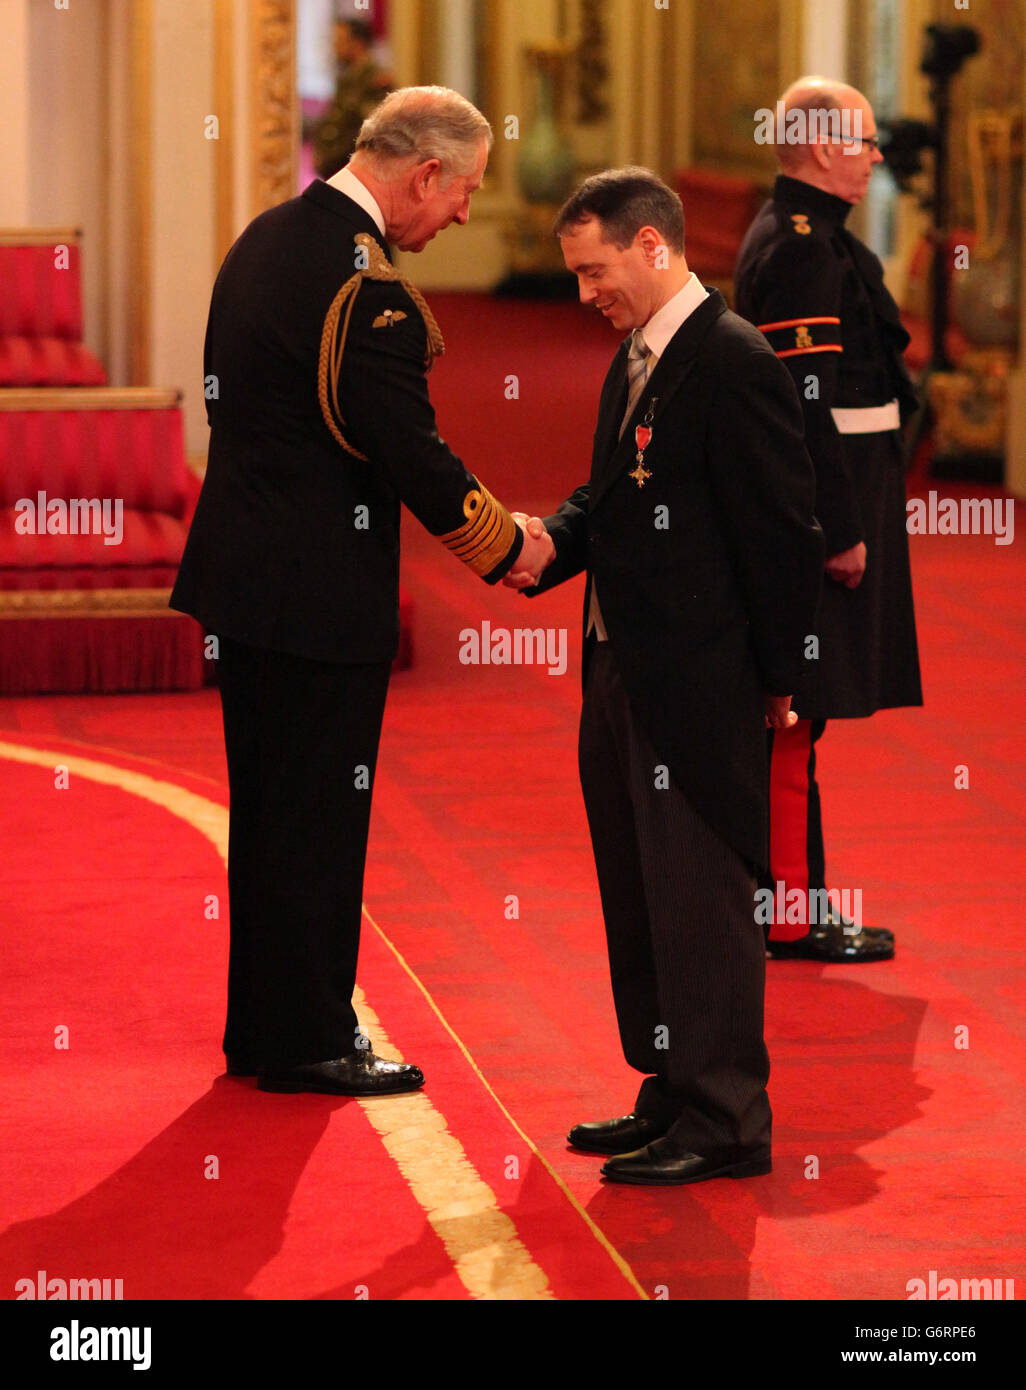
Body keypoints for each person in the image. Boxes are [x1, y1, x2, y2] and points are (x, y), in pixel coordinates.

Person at [171, 87, 555, 1097]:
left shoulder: (265, 237)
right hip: (316, 593)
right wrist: (504, 542)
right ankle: (306, 1039)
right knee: (317, 822)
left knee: (267, 811)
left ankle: (263, 1028)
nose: (464, 214)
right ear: (423, 174)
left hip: (244, 578)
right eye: (463, 192)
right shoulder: (368, 287)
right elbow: (407, 449)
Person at [504, 168, 824, 1185]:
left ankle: (727, 1114)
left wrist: (782, 676)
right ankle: (670, 1087)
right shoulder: (638, 355)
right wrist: (552, 542)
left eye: (594, 271)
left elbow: (783, 535)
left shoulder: (731, 362)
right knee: (640, 890)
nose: (584, 294)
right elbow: (611, 494)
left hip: (699, 680)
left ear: (653, 247)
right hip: (621, 668)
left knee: (699, 897)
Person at [734, 78, 923, 963]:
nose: (875, 155)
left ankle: (800, 903)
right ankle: (790, 912)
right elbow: (803, 408)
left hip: (849, 485)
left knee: (811, 715)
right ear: (815, 147)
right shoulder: (802, 245)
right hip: (831, 496)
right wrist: (838, 529)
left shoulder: (816, 234)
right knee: (796, 715)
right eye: (861, 141)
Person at [311, 18, 392, 180]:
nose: (335, 47)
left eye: (340, 41)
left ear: (357, 43)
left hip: (355, 169)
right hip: (335, 168)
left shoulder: (375, 80)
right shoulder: (347, 78)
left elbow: (370, 130)